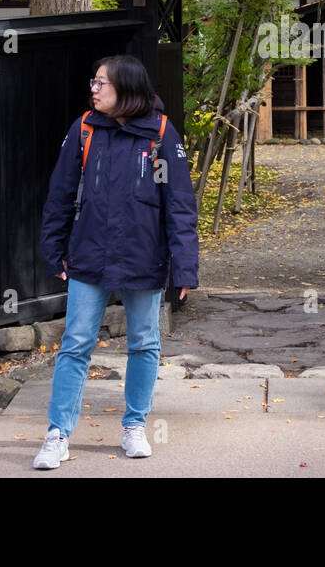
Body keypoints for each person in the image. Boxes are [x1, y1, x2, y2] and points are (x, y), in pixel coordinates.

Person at [32, 54, 199, 468]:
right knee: (75, 344)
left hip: (144, 257)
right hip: (89, 254)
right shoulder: (85, 129)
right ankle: (57, 435)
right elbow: (60, 192)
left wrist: (185, 265)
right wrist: (53, 249)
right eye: (94, 80)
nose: (94, 87)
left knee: (144, 343)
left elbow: (178, 204)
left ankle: (134, 426)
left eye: (102, 82)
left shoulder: (160, 134)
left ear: (125, 87)